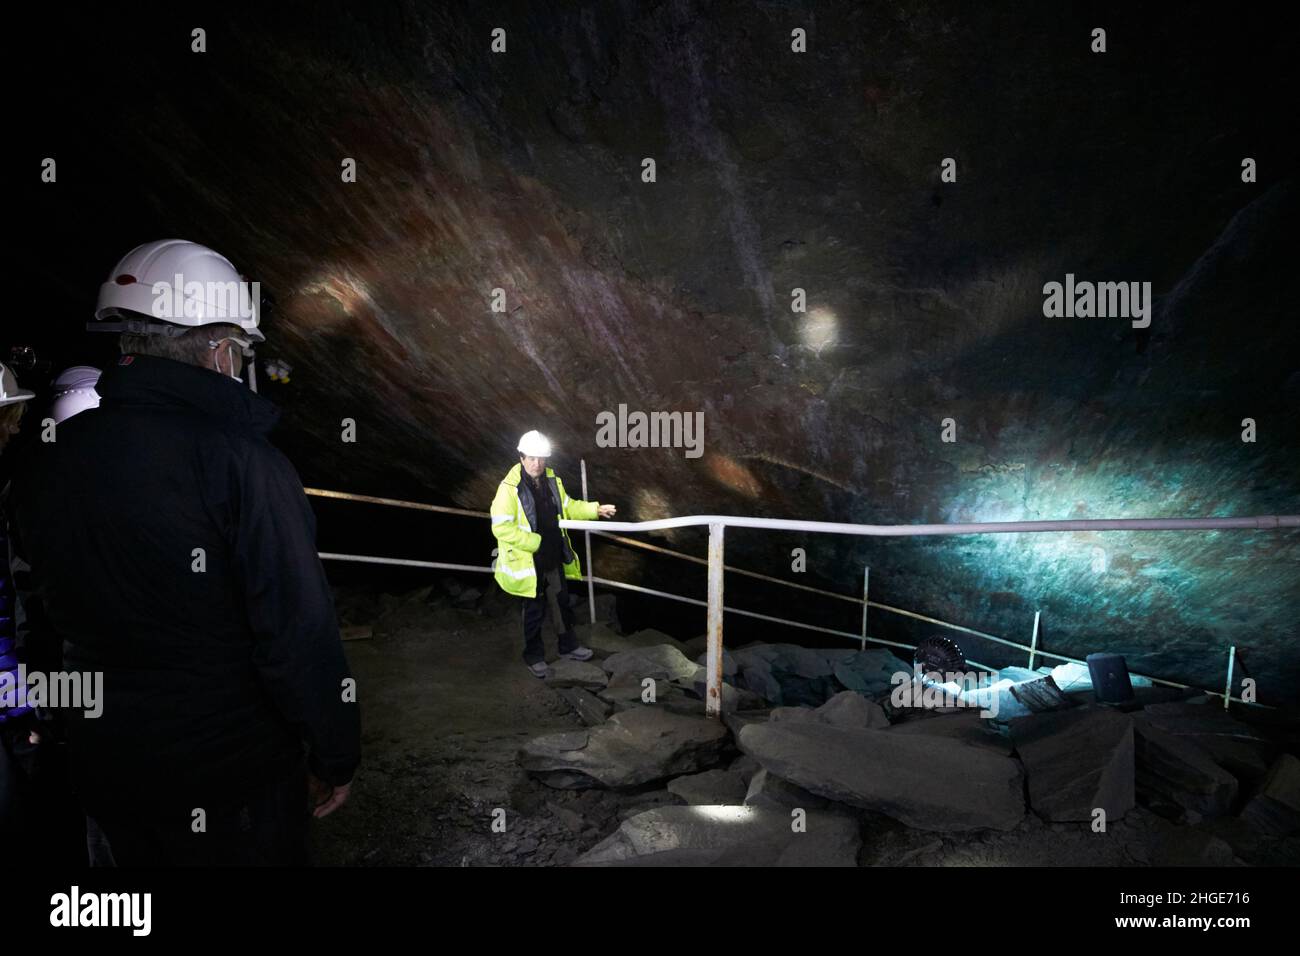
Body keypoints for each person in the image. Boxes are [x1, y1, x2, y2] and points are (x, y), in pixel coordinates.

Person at [9, 239, 361, 865]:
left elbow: (42, 606)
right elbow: (296, 631)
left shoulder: (51, 458)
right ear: (221, 348)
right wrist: (334, 752)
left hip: (106, 766)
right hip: (229, 775)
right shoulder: (243, 462)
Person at [490, 430, 616, 677]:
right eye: (532, 458)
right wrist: (534, 542)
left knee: (561, 602)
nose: (537, 463)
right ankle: (534, 656)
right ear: (521, 457)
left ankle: (568, 647)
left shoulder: (551, 479)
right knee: (534, 610)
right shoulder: (509, 489)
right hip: (529, 559)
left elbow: (567, 506)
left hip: (553, 555)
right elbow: (501, 527)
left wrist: (595, 509)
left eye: (542, 458)